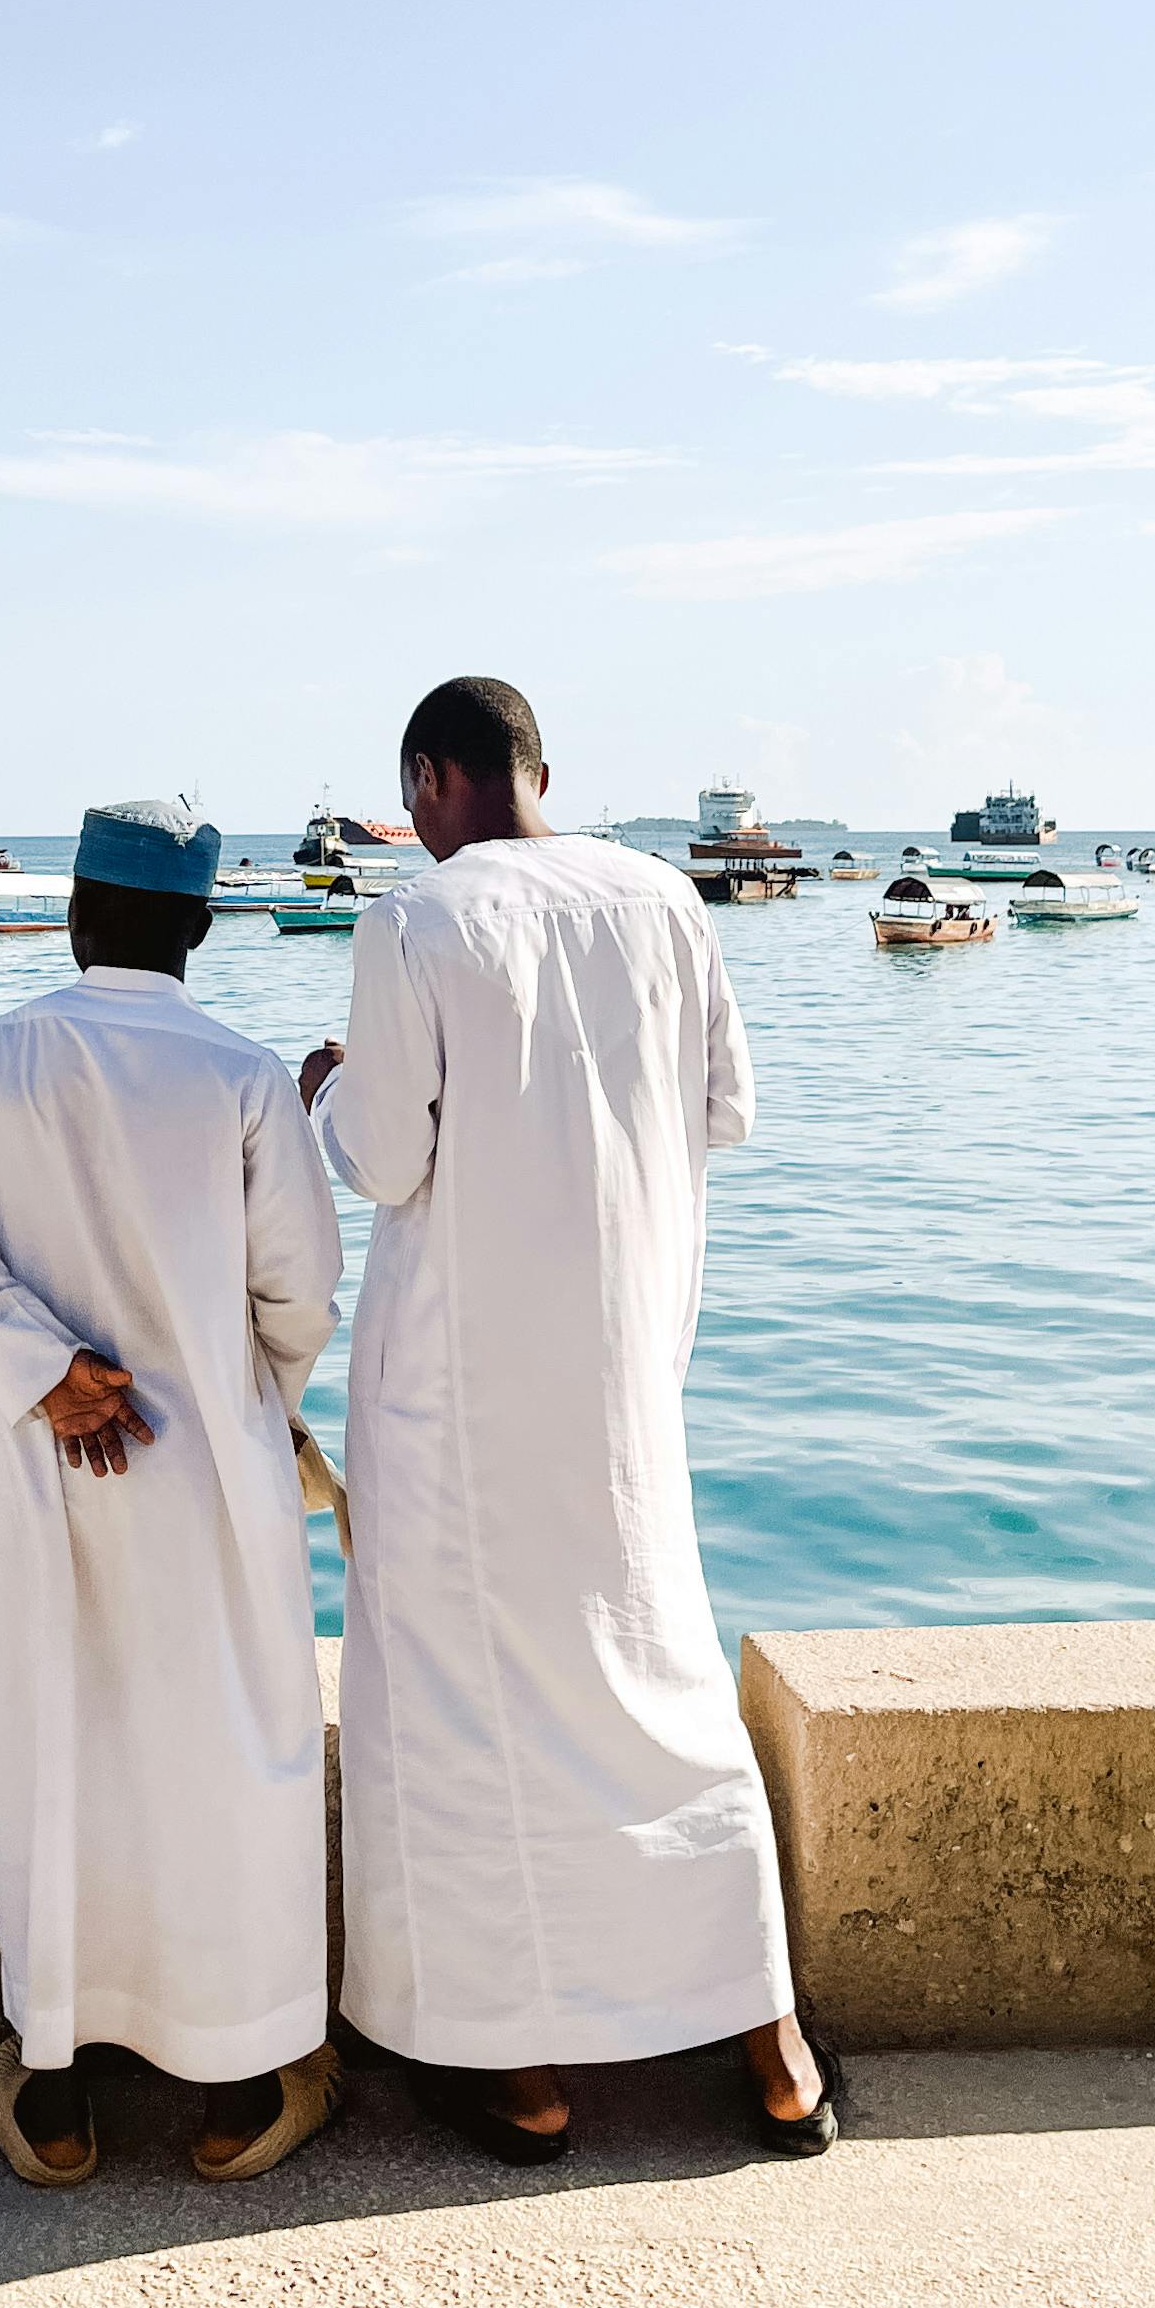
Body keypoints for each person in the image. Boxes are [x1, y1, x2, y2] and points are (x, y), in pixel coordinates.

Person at [301, 678, 837, 2164]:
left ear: (431, 780)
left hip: (456, 1393)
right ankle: (771, 2049)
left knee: (460, 1711)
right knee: (660, 1680)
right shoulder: (667, 900)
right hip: (625, 1373)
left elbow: (383, 1159)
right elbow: (726, 1110)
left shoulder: (418, 920)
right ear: (541, 768)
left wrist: (328, 1088)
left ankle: (522, 2072)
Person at [0, 796, 346, 2187]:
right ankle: (242, 2085)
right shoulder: (246, 1077)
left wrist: (48, 1371)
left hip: (45, 1471)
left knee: (58, 1741)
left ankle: (54, 2097)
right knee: (229, 1746)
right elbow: (301, 1294)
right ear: (200, 926)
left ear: (78, 911)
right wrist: (238, 1394)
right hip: (209, 1472)